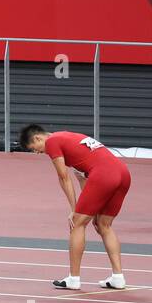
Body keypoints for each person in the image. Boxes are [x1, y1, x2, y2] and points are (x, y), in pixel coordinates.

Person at [20, 124, 130, 290]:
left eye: (33, 149)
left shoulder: (52, 142)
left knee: (77, 224)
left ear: (37, 138)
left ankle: (73, 279)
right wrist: (87, 209)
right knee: (103, 225)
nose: (37, 153)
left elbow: (63, 177)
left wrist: (74, 210)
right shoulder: (69, 137)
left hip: (104, 175)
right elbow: (82, 179)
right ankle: (118, 277)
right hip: (122, 173)